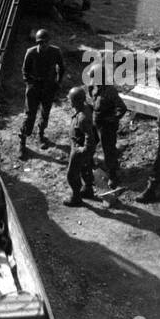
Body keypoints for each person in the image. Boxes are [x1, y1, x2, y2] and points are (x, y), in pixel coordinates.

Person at [19, 29, 65, 157]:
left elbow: (61, 67)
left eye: (45, 42)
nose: (42, 45)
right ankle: (22, 142)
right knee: (29, 115)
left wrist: (58, 82)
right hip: (34, 86)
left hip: (48, 86)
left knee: (45, 113)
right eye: (39, 42)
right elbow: (25, 70)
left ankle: (41, 135)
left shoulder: (55, 52)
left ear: (49, 42)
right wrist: (29, 83)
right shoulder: (31, 52)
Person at [89, 74, 127, 188]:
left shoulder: (110, 91)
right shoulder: (95, 87)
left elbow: (122, 108)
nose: (92, 81)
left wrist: (112, 119)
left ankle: (113, 175)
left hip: (106, 126)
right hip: (96, 122)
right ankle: (91, 165)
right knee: (90, 143)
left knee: (108, 150)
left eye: (94, 78)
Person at [65, 84, 95, 206]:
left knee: (71, 175)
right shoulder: (85, 108)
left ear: (76, 101)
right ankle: (88, 189)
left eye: (70, 99)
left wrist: (83, 150)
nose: (69, 101)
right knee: (85, 169)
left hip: (78, 148)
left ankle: (76, 197)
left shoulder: (82, 118)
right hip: (80, 146)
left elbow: (90, 138)